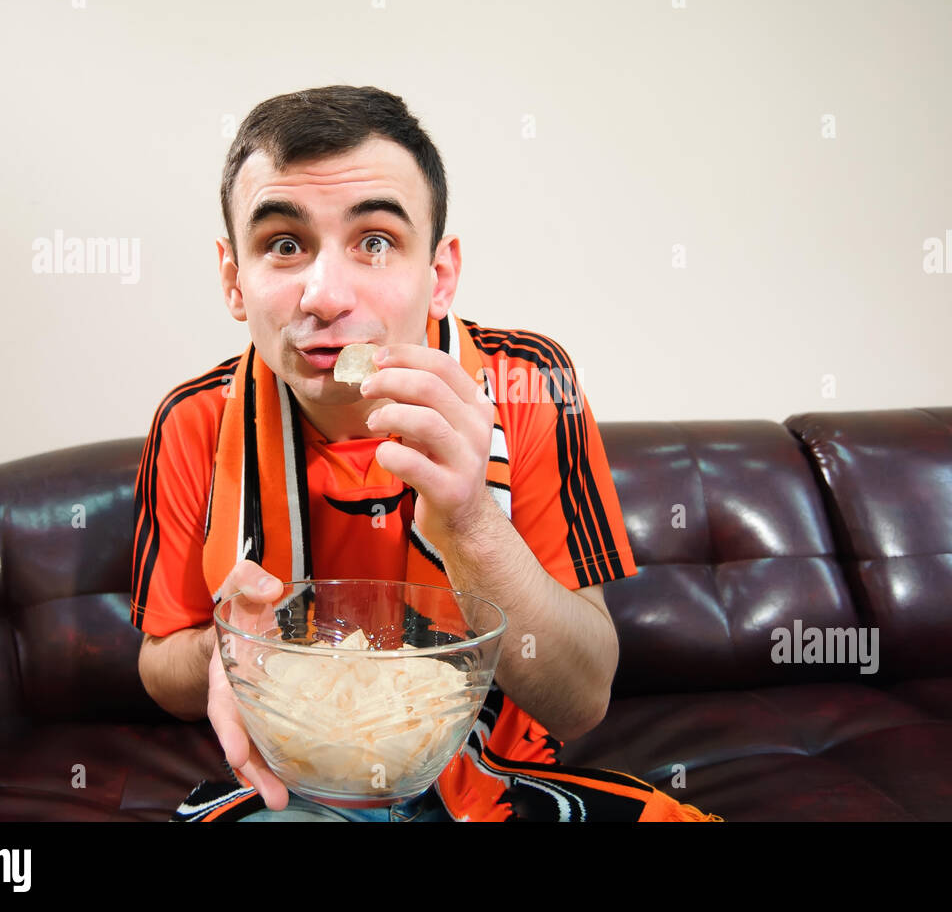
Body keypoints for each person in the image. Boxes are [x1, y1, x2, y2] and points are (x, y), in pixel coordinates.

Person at [130, 85, 719, 821]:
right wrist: (226, 649)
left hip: (495, 783)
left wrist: (472, 520)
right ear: (234, 281)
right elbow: (161, 663)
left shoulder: (530, 385)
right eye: (285, 244)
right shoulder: (193, 419)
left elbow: (582, 698)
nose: (324, 294)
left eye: (375, 241)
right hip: (295, 780)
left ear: (439, 275)